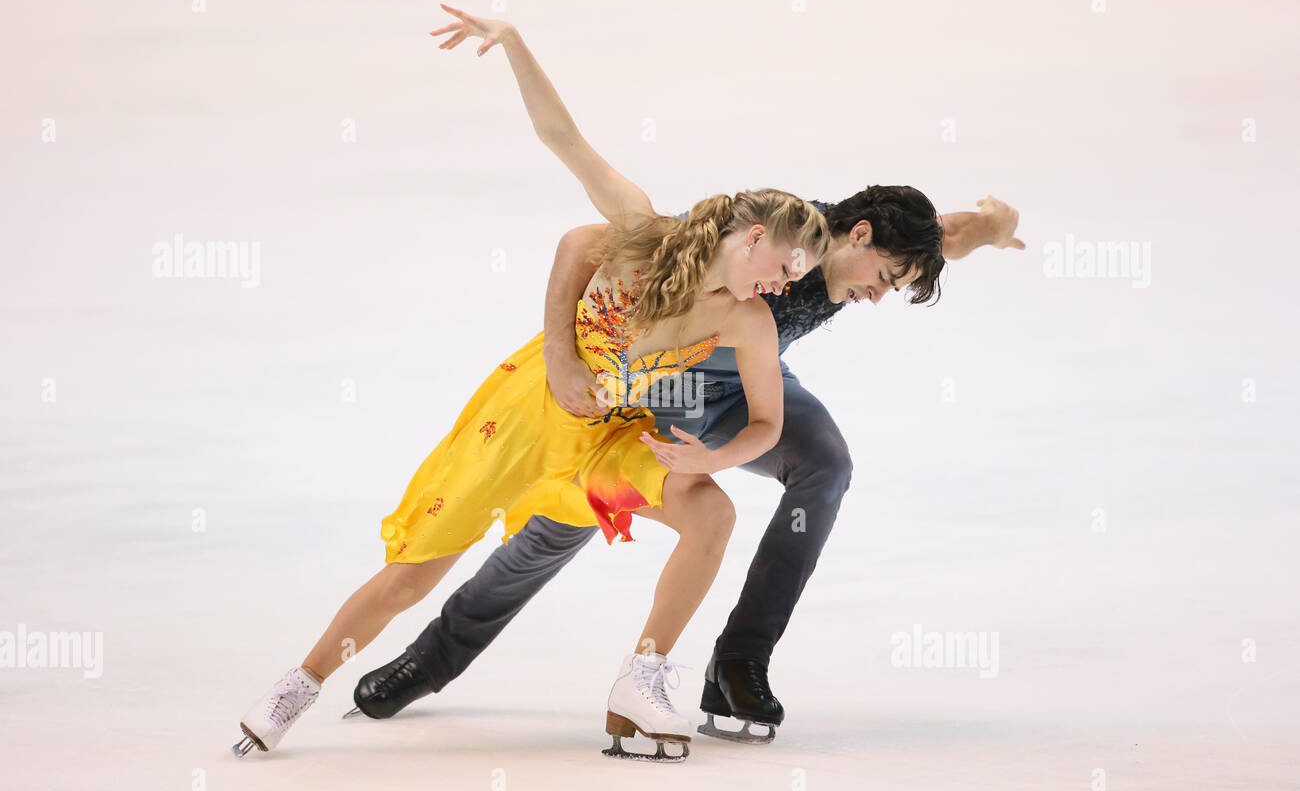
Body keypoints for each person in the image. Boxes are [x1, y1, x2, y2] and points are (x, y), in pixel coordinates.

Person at [231, 4, 833, 763]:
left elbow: (766, 426)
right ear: (753, 239)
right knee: (414, 575)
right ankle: (300, 684)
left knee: (710, 515)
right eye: (785, 268)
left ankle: (640, 678)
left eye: (797, 280)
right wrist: (513, 42)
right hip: (525, 419)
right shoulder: (642, 230)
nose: (783, 287)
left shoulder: (749, 324)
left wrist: (708, 458)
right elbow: (563, 146)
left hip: (605, 447)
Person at [346, 193, 1021, 743]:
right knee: (574, 515)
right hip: (668, 385)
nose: (877, 296)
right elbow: (590, 240)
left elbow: (942, 234)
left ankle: (738, 661)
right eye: (882, 278)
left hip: (753, 384)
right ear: (858, 233)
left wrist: (990, 227)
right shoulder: (768, 235)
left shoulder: (866, 246)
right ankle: (435, 655)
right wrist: (561, 352)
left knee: (827, 465)